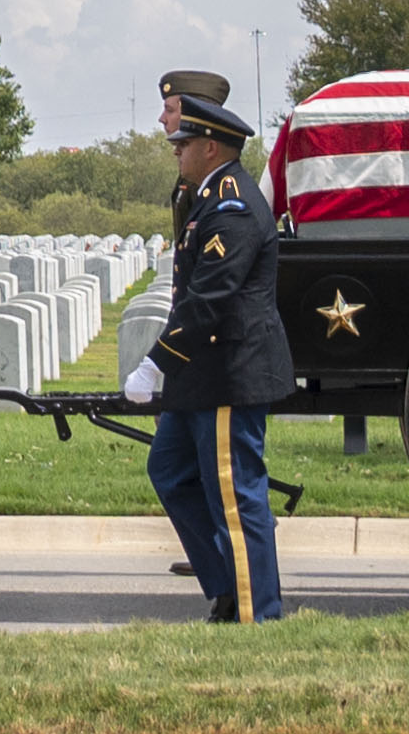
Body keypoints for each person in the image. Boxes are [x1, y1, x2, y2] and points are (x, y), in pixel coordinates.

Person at [123, 96, 287, 620]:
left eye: (185, 143)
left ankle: (256, 613)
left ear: (211, 148)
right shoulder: (210, 197)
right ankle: (227, 587)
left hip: (226, 373)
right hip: (203, 374)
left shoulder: (232, 206)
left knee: (234, 495)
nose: (176, 151)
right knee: (170, 470)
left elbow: (209, 299)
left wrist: (156, 363)